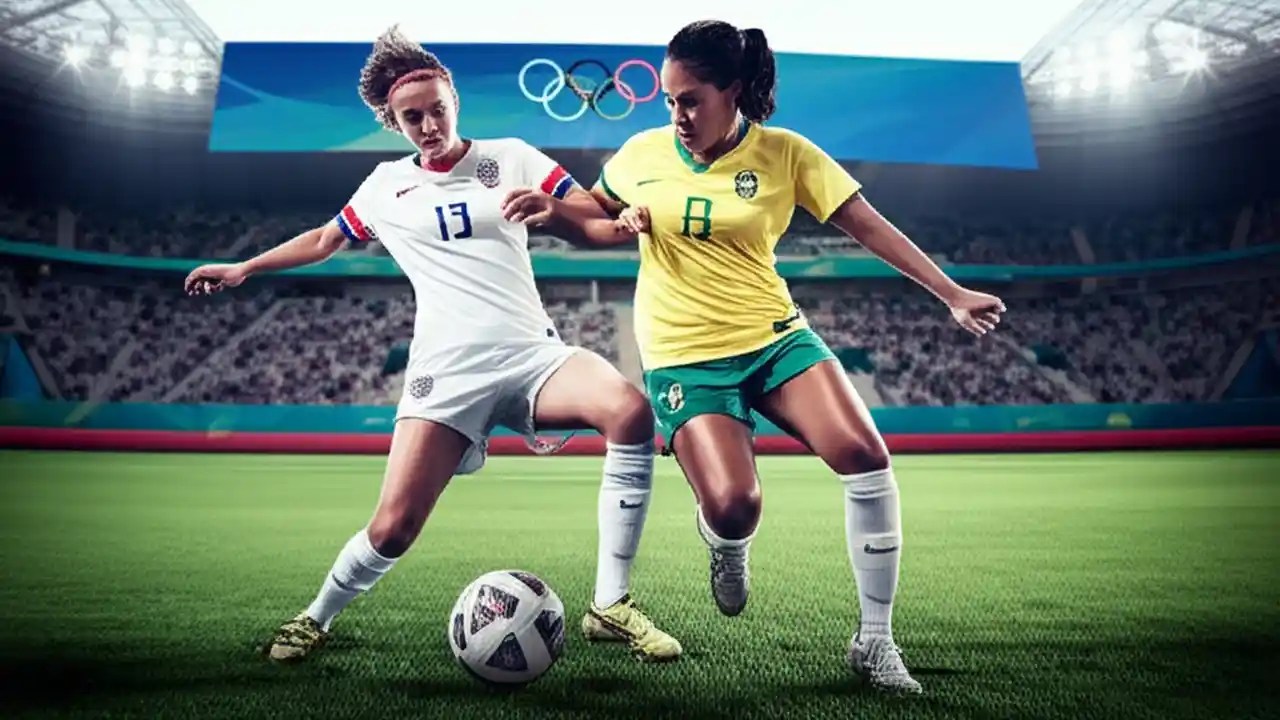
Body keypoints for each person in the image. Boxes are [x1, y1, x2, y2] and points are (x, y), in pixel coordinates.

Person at [501, 19, 1006, 694]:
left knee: (866, 456)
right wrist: (559, 212)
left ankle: (875, 641)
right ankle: (727, 542)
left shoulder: (786, 154)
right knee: (736, 505)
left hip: (774, 338)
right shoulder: (643, 154)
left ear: (733, 91)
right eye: (669, 101)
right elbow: (595, 223)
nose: (678, 116)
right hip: (684, 355)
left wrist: (951, 293)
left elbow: (868, 227)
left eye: (691, 101)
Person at [184, 26, 681, 665]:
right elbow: (324, 240)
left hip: (533, 355)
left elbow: (593, 217)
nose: (428, 125)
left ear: (455, 103)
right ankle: (315, 617)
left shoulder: (513, 156)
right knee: (394, 527)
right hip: (446, 371)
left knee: (630, 411)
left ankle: (610, 606)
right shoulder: (384, 186)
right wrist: (244, 268)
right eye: (411, 117)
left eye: (437, 110)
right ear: (393, 122)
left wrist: (613, 216)